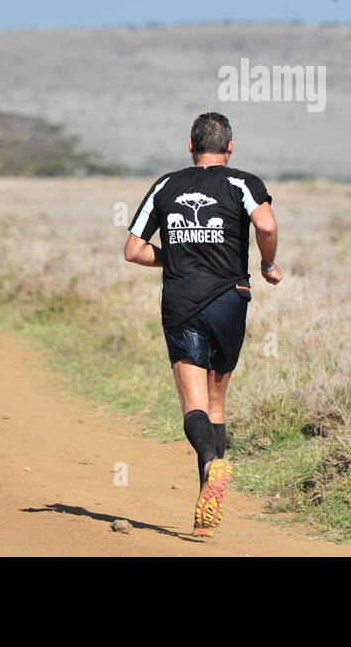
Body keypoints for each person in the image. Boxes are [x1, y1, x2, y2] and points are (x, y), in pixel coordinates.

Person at [124, 112, 282, 537]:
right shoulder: (243, 183)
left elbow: (134, 251)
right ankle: (202, 515)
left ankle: (213, 466)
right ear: (230, 147)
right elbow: (265, 224)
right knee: (216, 404)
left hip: (180, 303)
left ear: (188, 145)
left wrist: (173, 259)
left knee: (192, 403)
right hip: (232, 300)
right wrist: (267, 264)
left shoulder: (165, 185)